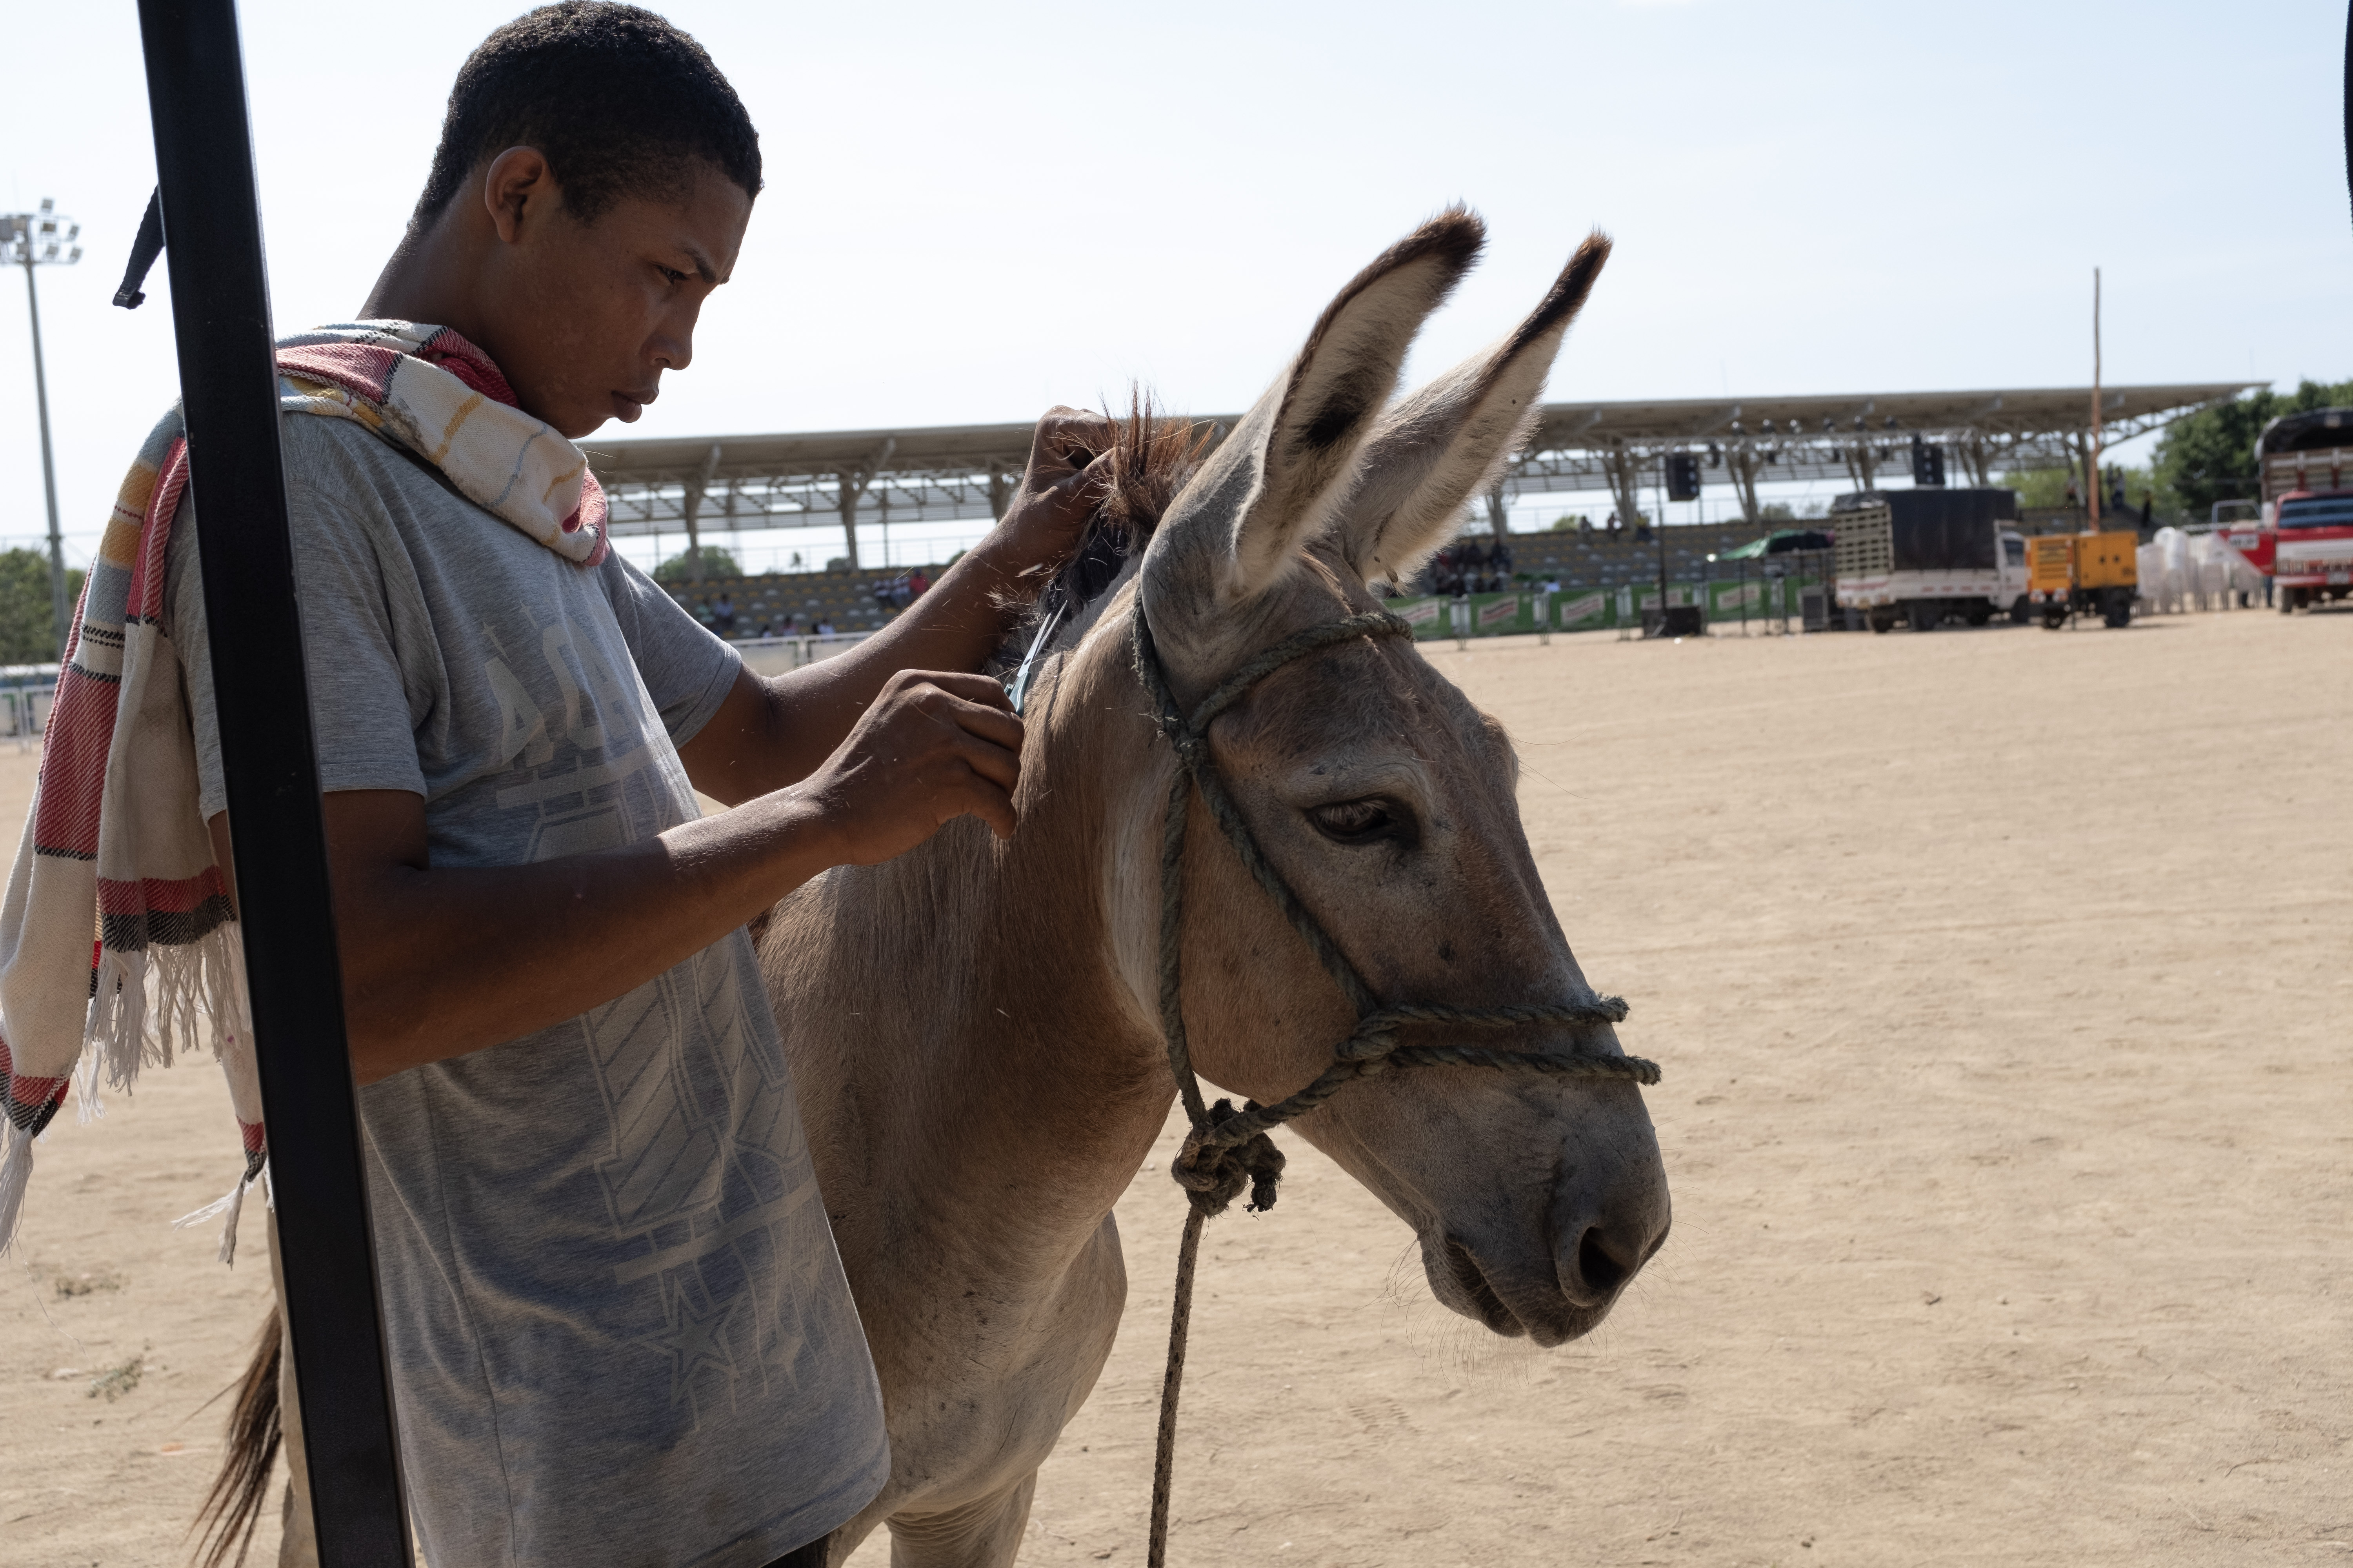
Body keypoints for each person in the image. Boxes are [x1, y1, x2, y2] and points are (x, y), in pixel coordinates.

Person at [139, 7, 1112, 1566]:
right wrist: (822, 830)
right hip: (563, 1452)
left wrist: (1011, 557)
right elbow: (354, 986)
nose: (681, 339)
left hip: (733, 1401)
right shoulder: (307, 480)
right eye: (670, 274)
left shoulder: (509, 483)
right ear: (516, 196)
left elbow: (773, 734)